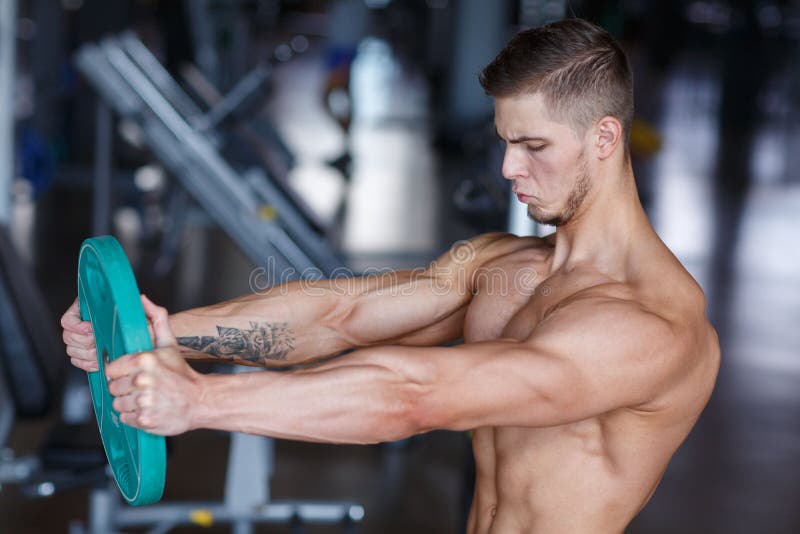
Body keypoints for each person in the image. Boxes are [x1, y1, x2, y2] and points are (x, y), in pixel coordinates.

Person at [61, 18, 719, 533]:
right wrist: (161, 334)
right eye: (505, 142)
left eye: (534, 147)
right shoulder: (503, 264)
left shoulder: (650, 328)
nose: (507, 170)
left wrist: (201, 403)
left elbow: (414, 398)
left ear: (605, 139)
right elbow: (338, 313)